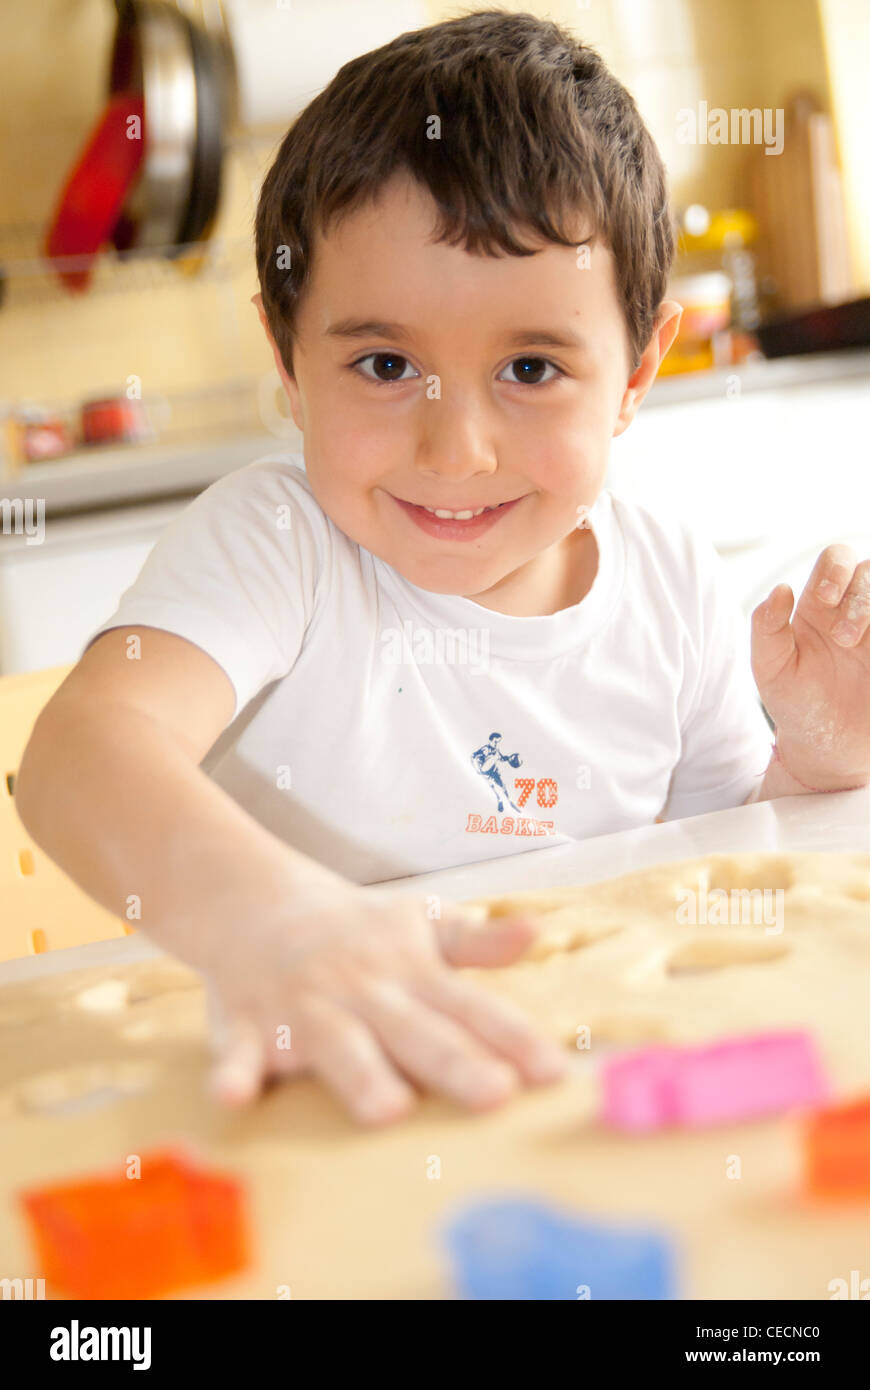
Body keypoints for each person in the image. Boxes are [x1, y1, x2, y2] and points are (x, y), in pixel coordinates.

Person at [16, 12, 870, 1128]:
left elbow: (706, 854)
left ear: (636, 370)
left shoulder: (668, 577)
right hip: (299, 1081)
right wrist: (270, 921)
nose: (455, 449)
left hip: (549, 1082)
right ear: (287, 361)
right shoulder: (279, 545)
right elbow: (78, 756)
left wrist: (811, 766)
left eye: (530, 365)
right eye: (384, 363)